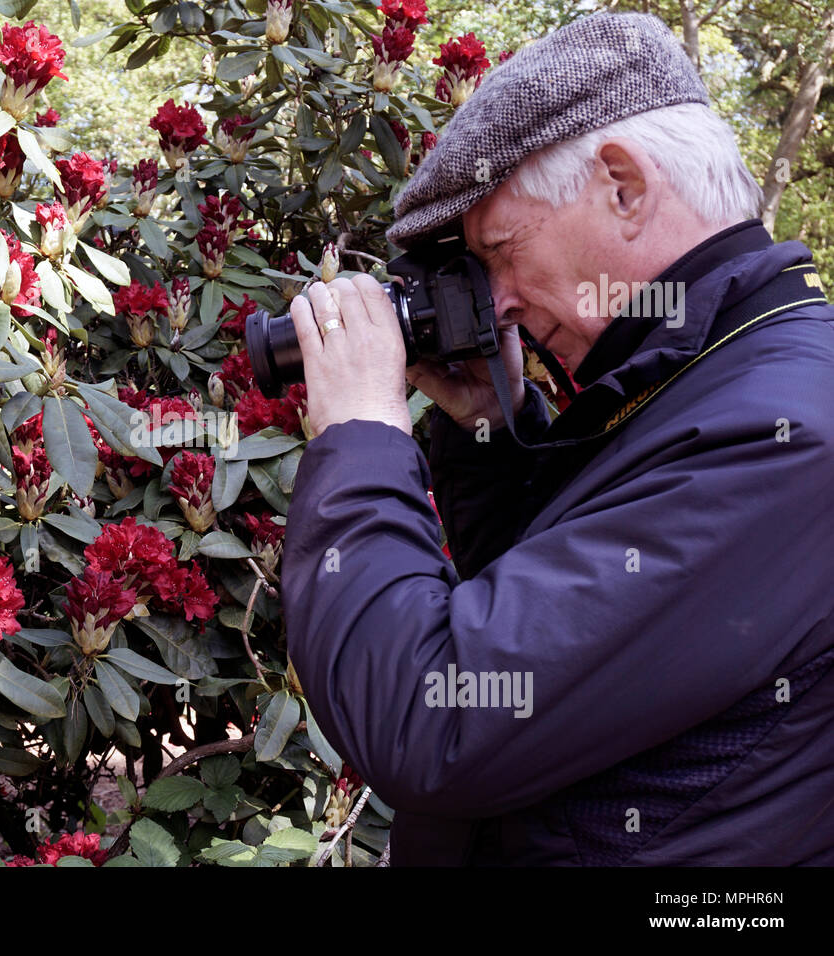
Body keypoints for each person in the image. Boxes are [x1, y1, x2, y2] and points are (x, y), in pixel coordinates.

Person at [281, 10, 834, 864]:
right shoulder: (707, 373)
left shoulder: (781, 434)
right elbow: (559, 628)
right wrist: (493, 431)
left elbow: (434, 717)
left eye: (499, 252)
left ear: (622, 184)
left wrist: (360, 430)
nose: (496, 302)